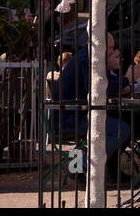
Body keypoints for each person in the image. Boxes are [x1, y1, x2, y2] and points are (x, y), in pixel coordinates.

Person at [53, 33, 134, 178]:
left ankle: (109, 170)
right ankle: (81, 166)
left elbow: (99, 88)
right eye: (110, 47)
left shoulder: (87, 57)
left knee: (130, 121)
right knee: (121, 129)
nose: (111, 51)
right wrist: (127, 79)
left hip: (76, 113)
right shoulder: (87, 59)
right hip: (71, 118)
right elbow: (97, 89)